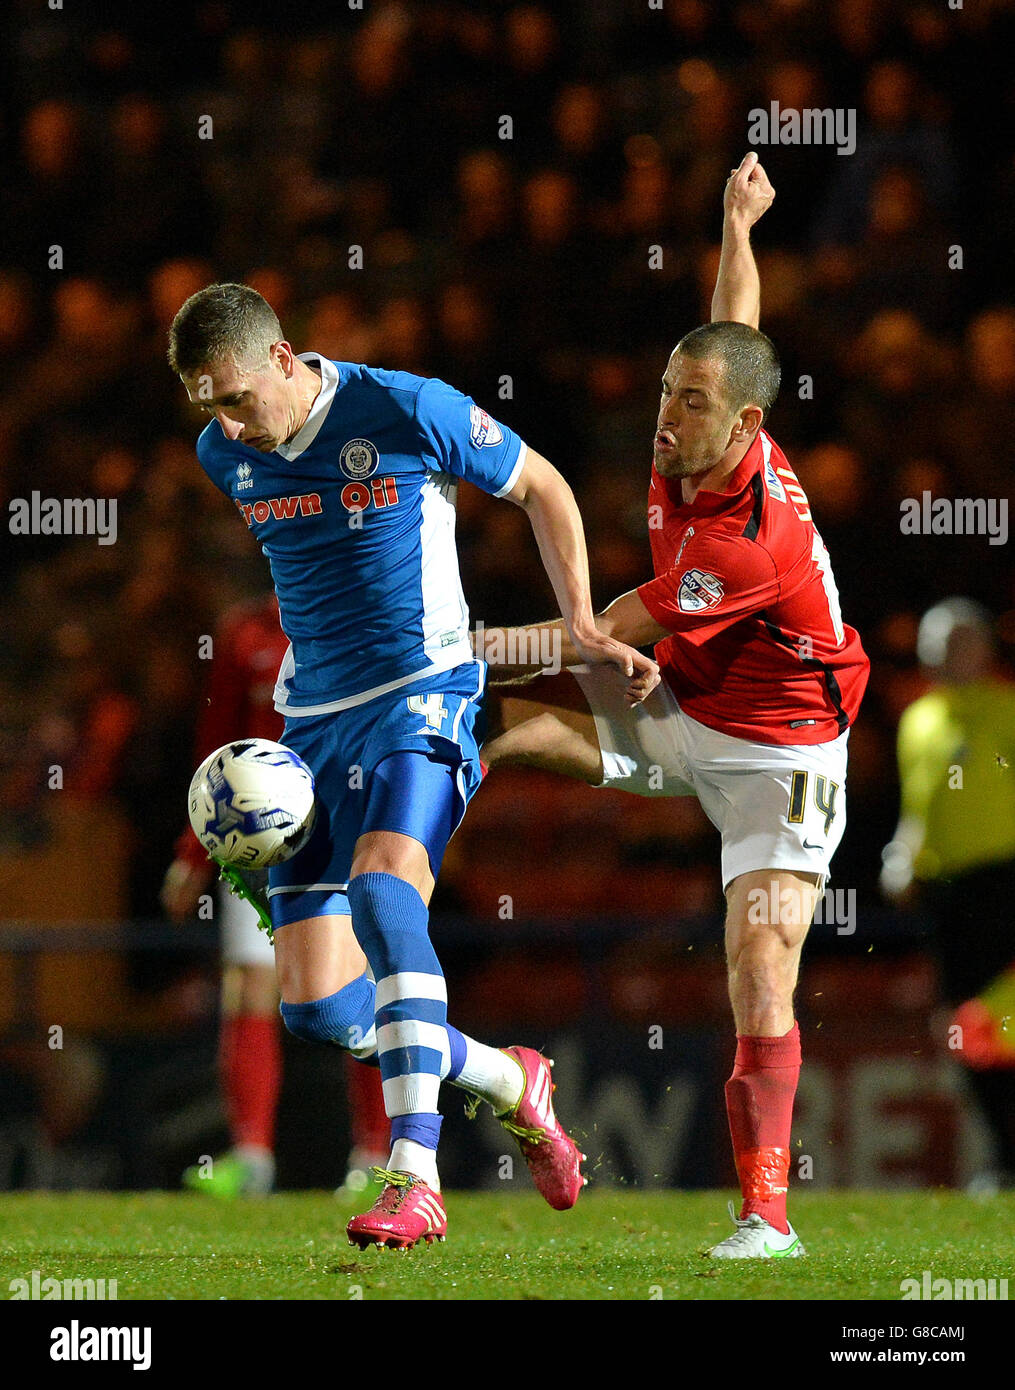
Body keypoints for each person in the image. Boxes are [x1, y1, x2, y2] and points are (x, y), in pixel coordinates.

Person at [167, 285, 656, 1249]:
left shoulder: (405, 406)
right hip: (310, 727)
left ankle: (413, 1175)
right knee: (318, 1011)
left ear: (282, 357)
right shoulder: (224, 454)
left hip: (424, 692)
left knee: (388, 897)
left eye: (233, 396)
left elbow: (543, 486)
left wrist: (583, 623)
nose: (225, 422)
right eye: (204, 404)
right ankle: (514, 1080)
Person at [475, 153, 870, 1257]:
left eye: (688, 404)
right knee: (511, 734)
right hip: (695, 702)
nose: (666, 415)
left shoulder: (751, 543)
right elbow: (730, 329)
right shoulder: (714, 418)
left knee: (757, 967)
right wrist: (738, 224)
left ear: (742, 425)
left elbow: (595, 632)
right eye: (663, 389)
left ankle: (766, 1217)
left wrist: (463, 647)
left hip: (778, 759)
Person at [160, 591, 390, 1198]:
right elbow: (217, 747)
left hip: (342, 827)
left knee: (353, 988)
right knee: (249, 988)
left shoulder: (358, 612)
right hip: (257, 842)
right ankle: (252, 1159)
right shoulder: (243, 633)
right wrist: (193, 849)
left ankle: (374, 1157)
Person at [881, 598, 1015, 1190]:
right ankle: (1005, 1158)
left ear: (984, 647)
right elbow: (920, 805)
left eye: (958, 640)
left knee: (1001, 1020)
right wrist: (904, 855)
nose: (944, 653)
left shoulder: (1009, 709)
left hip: (1006, 883)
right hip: (947, 895)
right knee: (963, 1030)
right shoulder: (918, 720)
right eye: (935, 643)